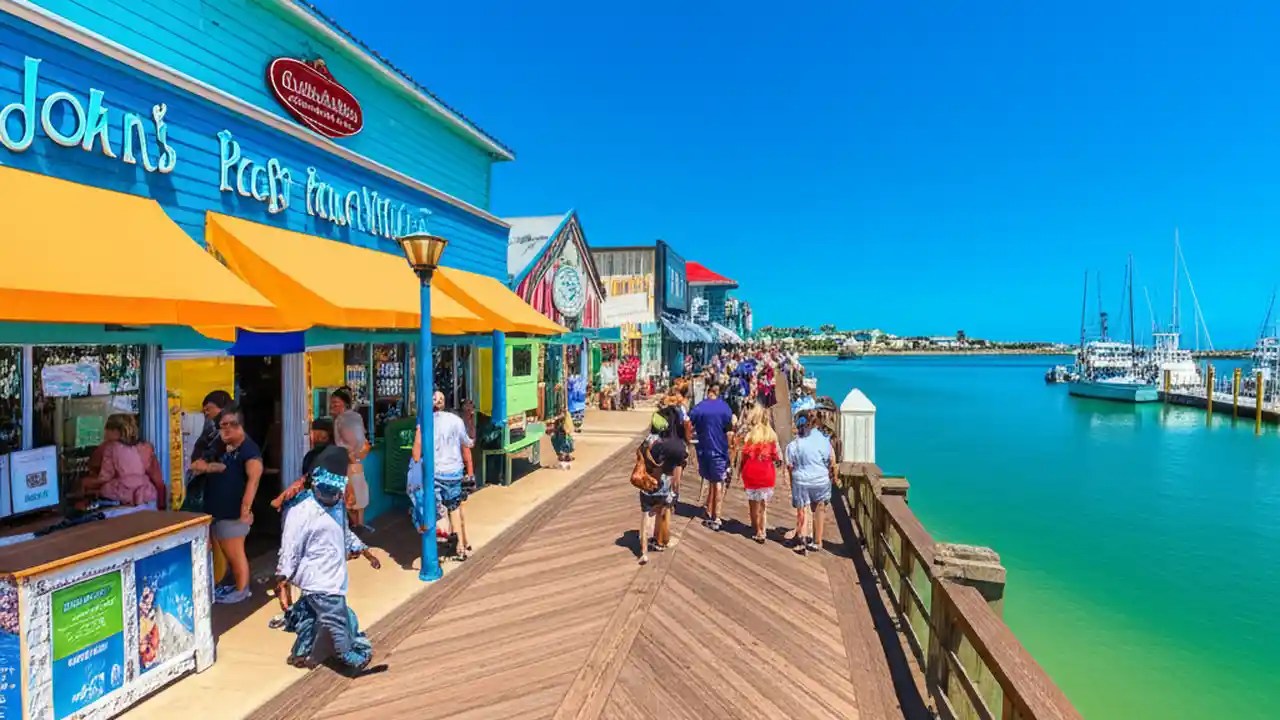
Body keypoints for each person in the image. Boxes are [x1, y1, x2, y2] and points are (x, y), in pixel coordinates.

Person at [275, 447, 375, 674]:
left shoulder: (338, 504)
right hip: (319, 579)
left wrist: (364, 550)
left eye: (335, 492)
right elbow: (290, 545)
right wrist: (283, 576)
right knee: (337, 619)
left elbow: (344, 532)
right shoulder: (300, 510)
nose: (331, 497)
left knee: (311, 619)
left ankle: (301, 653)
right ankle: (349, 656)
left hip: (332, 575)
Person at [194, 406, 262, 603]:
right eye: (222, 426)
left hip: (233, 513)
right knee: (228, 554)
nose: (224, 430)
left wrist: (245, 510)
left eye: (229, 426)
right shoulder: (228, 447)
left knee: (235, 554)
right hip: (221, 510)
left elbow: (253, 481)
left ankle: (242, 590)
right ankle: (237, 586)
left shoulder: (249, 450)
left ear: (239, 426)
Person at [80, 414, 166, 508]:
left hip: (122, 498)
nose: (104, 434)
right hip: (146, 497)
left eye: (106, 430)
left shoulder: (110, 448)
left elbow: (104, 477)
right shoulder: (145, 447)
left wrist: (85, 483)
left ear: (115, 431)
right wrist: (162, 507)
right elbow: (158, 480)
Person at [637, 406, 687, 566]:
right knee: (662, 513)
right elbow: (676, 474)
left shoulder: (649, 441)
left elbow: (639, 458)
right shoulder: (673, 445)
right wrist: (675, 491)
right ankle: (660, 541)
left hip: (646, 483)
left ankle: (643, 552)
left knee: (646, 518)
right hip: (664, 485)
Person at [785, 410, 837, 555]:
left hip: (801, 480)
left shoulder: (795, 443)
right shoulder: (824, 440)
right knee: (819, 508)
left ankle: (801, 537)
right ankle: (817, 541)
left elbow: (790, 465)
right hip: (820, 479)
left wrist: (792, 482)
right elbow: (830, 460)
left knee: (802, 508)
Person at [432, 391, 475, 560]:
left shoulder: (426, 422)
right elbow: (468, 442)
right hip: (453, 472)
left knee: (438, 509)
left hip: (435, 472)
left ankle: (443, 546)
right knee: (454, 508)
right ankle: (460, 547)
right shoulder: (456, 421)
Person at [689, 383, 735, 531]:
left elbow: (689, 424)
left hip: (703, 449)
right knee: (718, 482)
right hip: (719, 449)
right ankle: (717, 516)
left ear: (708, 392)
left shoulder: (700, 407)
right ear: (718, 393)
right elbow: (730, 427)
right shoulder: (724, 407)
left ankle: (709, 508)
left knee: (709, 479)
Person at [738, 406, 782, 543]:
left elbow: (744, 457)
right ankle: (762, 530)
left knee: (753, 504)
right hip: (767, 474)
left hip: (751, 473)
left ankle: (756, 528)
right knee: (763, 505)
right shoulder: (772, 436)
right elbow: (777, 457)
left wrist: (739, 472)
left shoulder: (750, 436)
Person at [334, 411, 371, 532]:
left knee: (360, 504)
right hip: (349, 474)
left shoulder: (360, 443)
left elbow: (364, 451)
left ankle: (359, 525)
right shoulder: (342, 446)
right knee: (351, 505)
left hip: (356, 473)